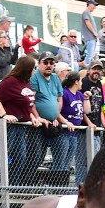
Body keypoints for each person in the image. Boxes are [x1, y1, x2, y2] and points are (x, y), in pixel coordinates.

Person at [0, 54, 40, 185]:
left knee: (21, 156)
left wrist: (33, 117)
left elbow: (26, 103)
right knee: (3, 155)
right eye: (33, 68)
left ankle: (13, 185)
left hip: (20, 124)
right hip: (7, 125)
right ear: (26, 68)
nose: (35, 71)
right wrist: (4, 115)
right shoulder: (10, 81)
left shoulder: (26, 83)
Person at [31, 53, 70, 184]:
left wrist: (55, 116)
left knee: (62, 150)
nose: (49, 65)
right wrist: (39, 117)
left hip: (54, 123)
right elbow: (31, 101)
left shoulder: (55, 78)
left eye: (51, 63)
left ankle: (58, 187)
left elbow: (59, 99)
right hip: (38, 125)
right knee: (37, 156)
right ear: (39, 63)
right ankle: (26, 184)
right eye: (45, 62)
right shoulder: (35, 77)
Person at [79, 0, 97, 65]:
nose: (95, 7)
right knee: (89, 56)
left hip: (92, 38)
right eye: (94, 5)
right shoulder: (86, 12)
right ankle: (86, 70)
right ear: (89, 4)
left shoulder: (89, 13)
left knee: (91, 56)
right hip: (89, 38)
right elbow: (87, 22)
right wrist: (94, 32)